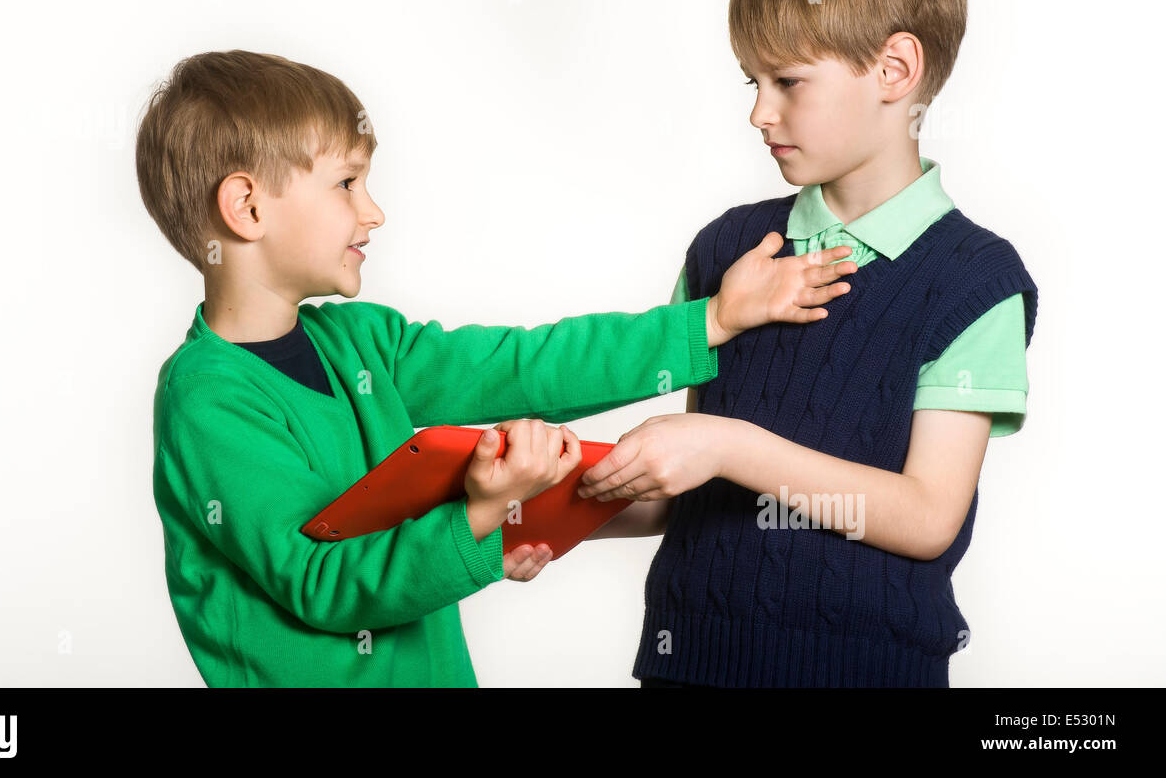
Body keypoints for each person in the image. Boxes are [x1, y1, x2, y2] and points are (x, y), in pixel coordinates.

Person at [135, 49, 856, 686]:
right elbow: (320, 579)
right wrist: (479, 516)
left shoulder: (362, 343)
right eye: (347, 184)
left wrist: (711, 320)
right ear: (247, 207)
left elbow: (522, 366)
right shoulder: (207, 398)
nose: (373, 210)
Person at [579, 0, 1039, 688]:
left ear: (895, 69)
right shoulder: (726, 248)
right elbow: (691, 494)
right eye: (750, 82)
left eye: (789, 81)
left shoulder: (974, 280)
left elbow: (928, 515)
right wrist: (548, 504)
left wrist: (728, 445)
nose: (760, 112)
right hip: (687, 666)